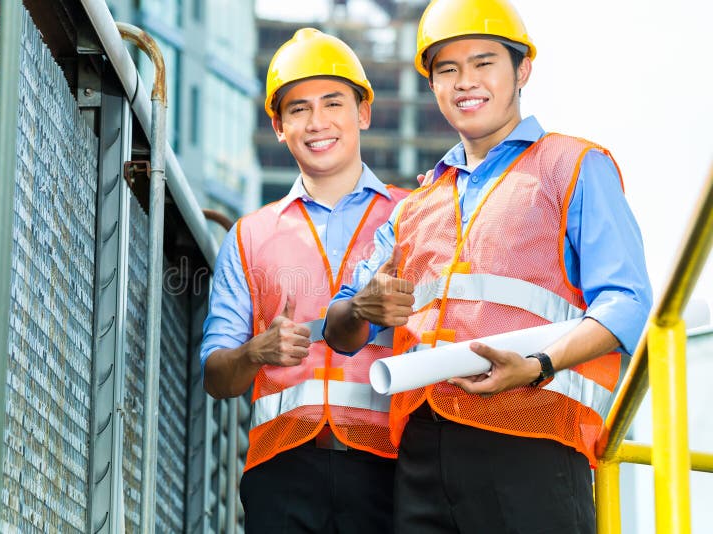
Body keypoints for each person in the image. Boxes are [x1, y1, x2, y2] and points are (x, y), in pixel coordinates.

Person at [323, 1, 653, 532]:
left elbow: (628, 303)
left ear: (522, 70)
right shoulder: (414, 208)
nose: (464, 82)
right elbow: (339, 329)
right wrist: (360, 306)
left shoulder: (573, 166)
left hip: (532, 441)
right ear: (432, 86)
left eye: (483, 63)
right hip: (422, 460)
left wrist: (538, 365)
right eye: (447, 70)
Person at [200, 28, 408, 533]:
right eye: (298, 108)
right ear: (278, 125)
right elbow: (215, 375)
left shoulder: (416, 215)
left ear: (363, 112)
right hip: (283, 476)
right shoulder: (250, 236)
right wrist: (255, 352)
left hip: (394, 469)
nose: (317, 122)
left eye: (333, 103)